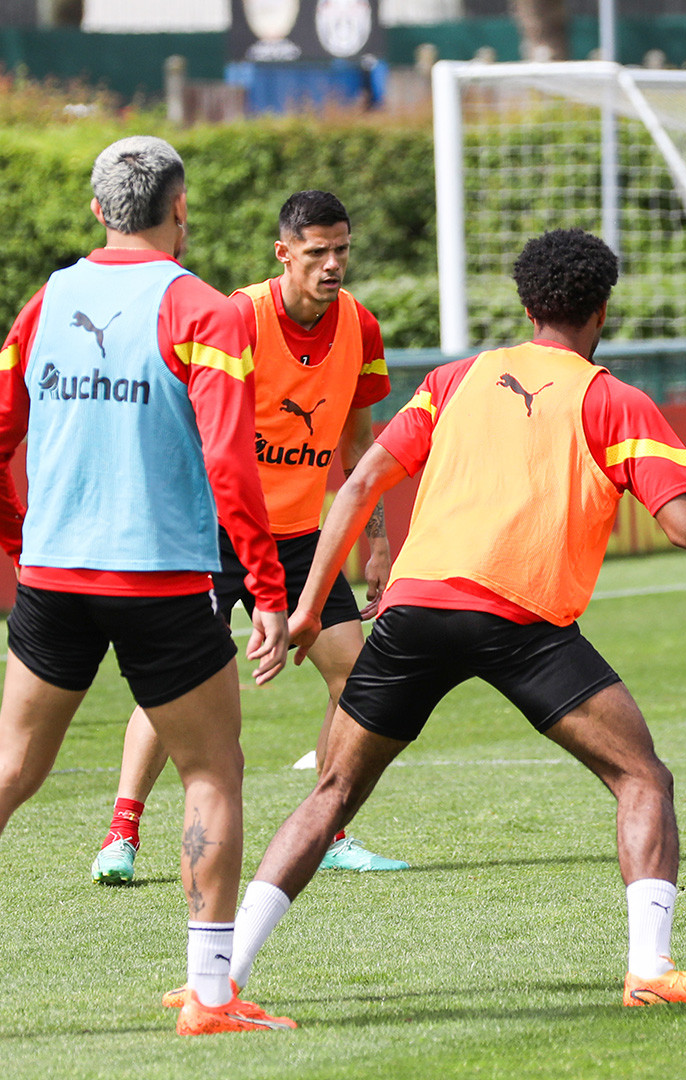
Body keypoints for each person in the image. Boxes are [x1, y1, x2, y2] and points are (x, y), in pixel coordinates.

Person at [217, 228, 686, 1009]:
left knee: (332, 793)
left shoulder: (455, 380)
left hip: (414, 608)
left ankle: (220, 980)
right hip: (522, 620)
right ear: (602, 310)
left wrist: (310, 609)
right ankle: (649, 969)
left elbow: (358, 483)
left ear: (525, 305)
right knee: (641, 776)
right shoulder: (610, 397)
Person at [0, 135, 299, 1034]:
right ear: (181, 209)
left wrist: (19, 539)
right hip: (161, 579)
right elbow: (230, 463)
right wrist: (269, 587)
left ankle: (212, 993)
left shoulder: (48, 299)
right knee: (213, 770)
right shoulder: (204, 308)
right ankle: (210, 997)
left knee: (12, 768)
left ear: (98, 211)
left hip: (53, 575)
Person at [90, 189, 404, 886]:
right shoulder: (238, 317)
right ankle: (121, 835)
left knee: (354, 675)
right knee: (176, 684)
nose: (332, 265)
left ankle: (329, 830)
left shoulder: (362, 328)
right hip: (211, 534)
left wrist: (375, 542)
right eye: (317, 252)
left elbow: (359, 442)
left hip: (299, 539)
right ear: (283, 253)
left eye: (342, 250)